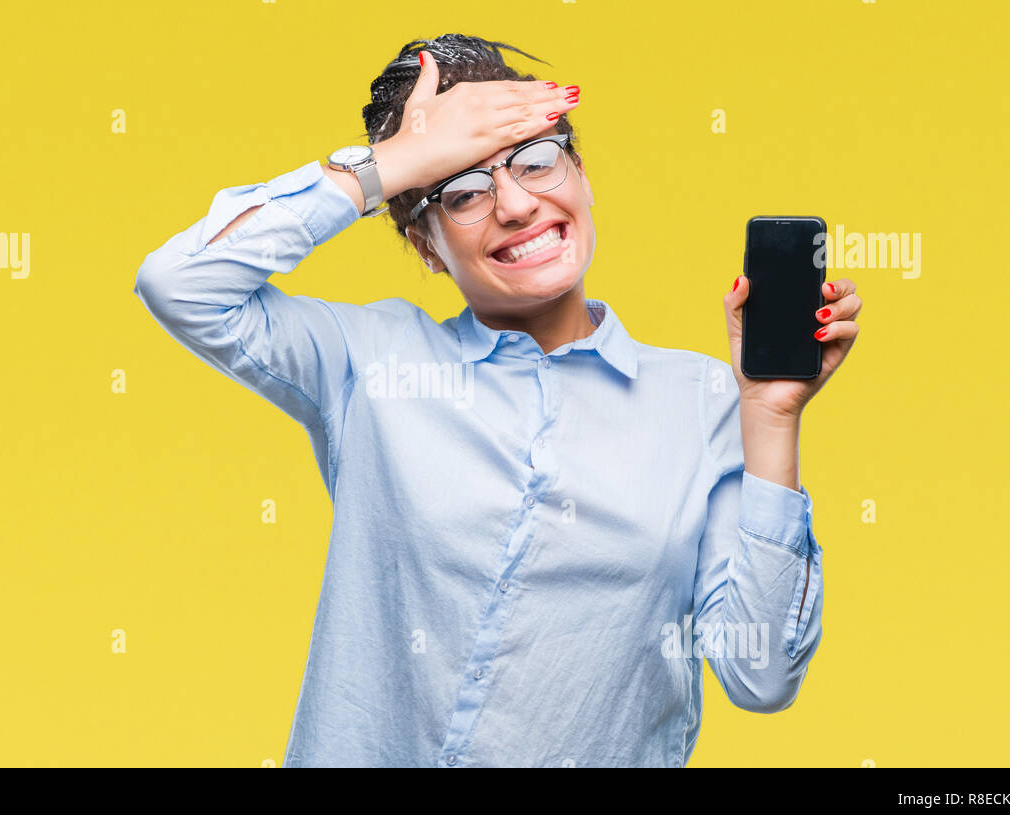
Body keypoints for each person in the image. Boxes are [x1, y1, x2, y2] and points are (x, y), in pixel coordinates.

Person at [132, 33, 861, 767]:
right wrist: (387, 167)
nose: (515, 203)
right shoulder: (370, 361)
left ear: (582, 174)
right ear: (425, 245)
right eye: (463, 188)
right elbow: (180, 284)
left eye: (537, 158)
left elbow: (762, 676)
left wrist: (770, 418)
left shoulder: (700, 403)